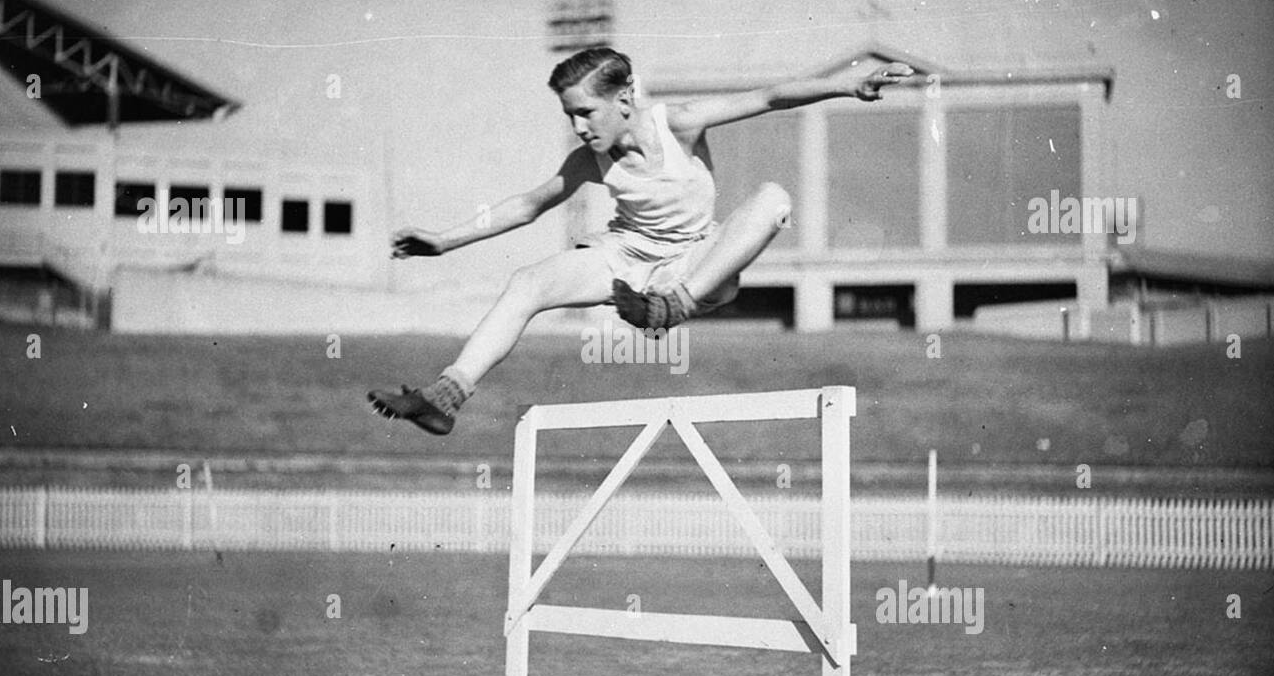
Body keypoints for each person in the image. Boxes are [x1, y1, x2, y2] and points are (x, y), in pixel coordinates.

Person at [368, 47, 913, 434]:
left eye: (586, 112)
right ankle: (445, 396)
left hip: (694, 265)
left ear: (624, 99)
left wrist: (848, 82)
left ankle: (672, 307)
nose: (580, 127)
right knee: (527, 281)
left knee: (773, 197)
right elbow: (530, 205)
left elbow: (770, 96)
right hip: (627, 259)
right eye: (570, 115)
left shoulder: (678, 124)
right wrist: (443, 241)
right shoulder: (589, 159)